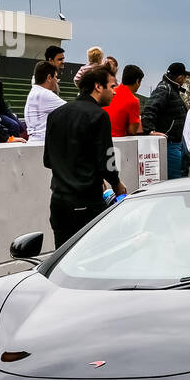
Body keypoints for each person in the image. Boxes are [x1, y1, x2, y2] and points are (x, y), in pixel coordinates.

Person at [44, 65, 126, 247]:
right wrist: (116, 183)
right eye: (112, 87)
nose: (115, 92)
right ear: (98, 86)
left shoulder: (55, 114)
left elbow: (48, 160)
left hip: (58, 203)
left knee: (62, 260)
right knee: (90, 258)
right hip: (87, 202)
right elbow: (107, 161)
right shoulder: (99, 116)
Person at [142, 62, 190, 179]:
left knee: (181, 178)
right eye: (184, 77)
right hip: (171, 144)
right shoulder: (165, 89)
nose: (184, 80)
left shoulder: (170, 89)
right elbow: (149, 109)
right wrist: (150, 131)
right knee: (177, 180)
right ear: (180, 77)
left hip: (175, 143)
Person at [24, 61, 65, 143]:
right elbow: (73, 110)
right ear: (49, 78)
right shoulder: (45, 94)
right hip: (43, 143)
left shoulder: (34, 92)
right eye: (56, 77)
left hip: (34, 140)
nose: (56, 81)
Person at [107, 64, 145, 136]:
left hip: (101, 138)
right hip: (117, 141)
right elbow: (132, 130)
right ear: (137, 81)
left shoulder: (110, 92)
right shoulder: (133, 100)